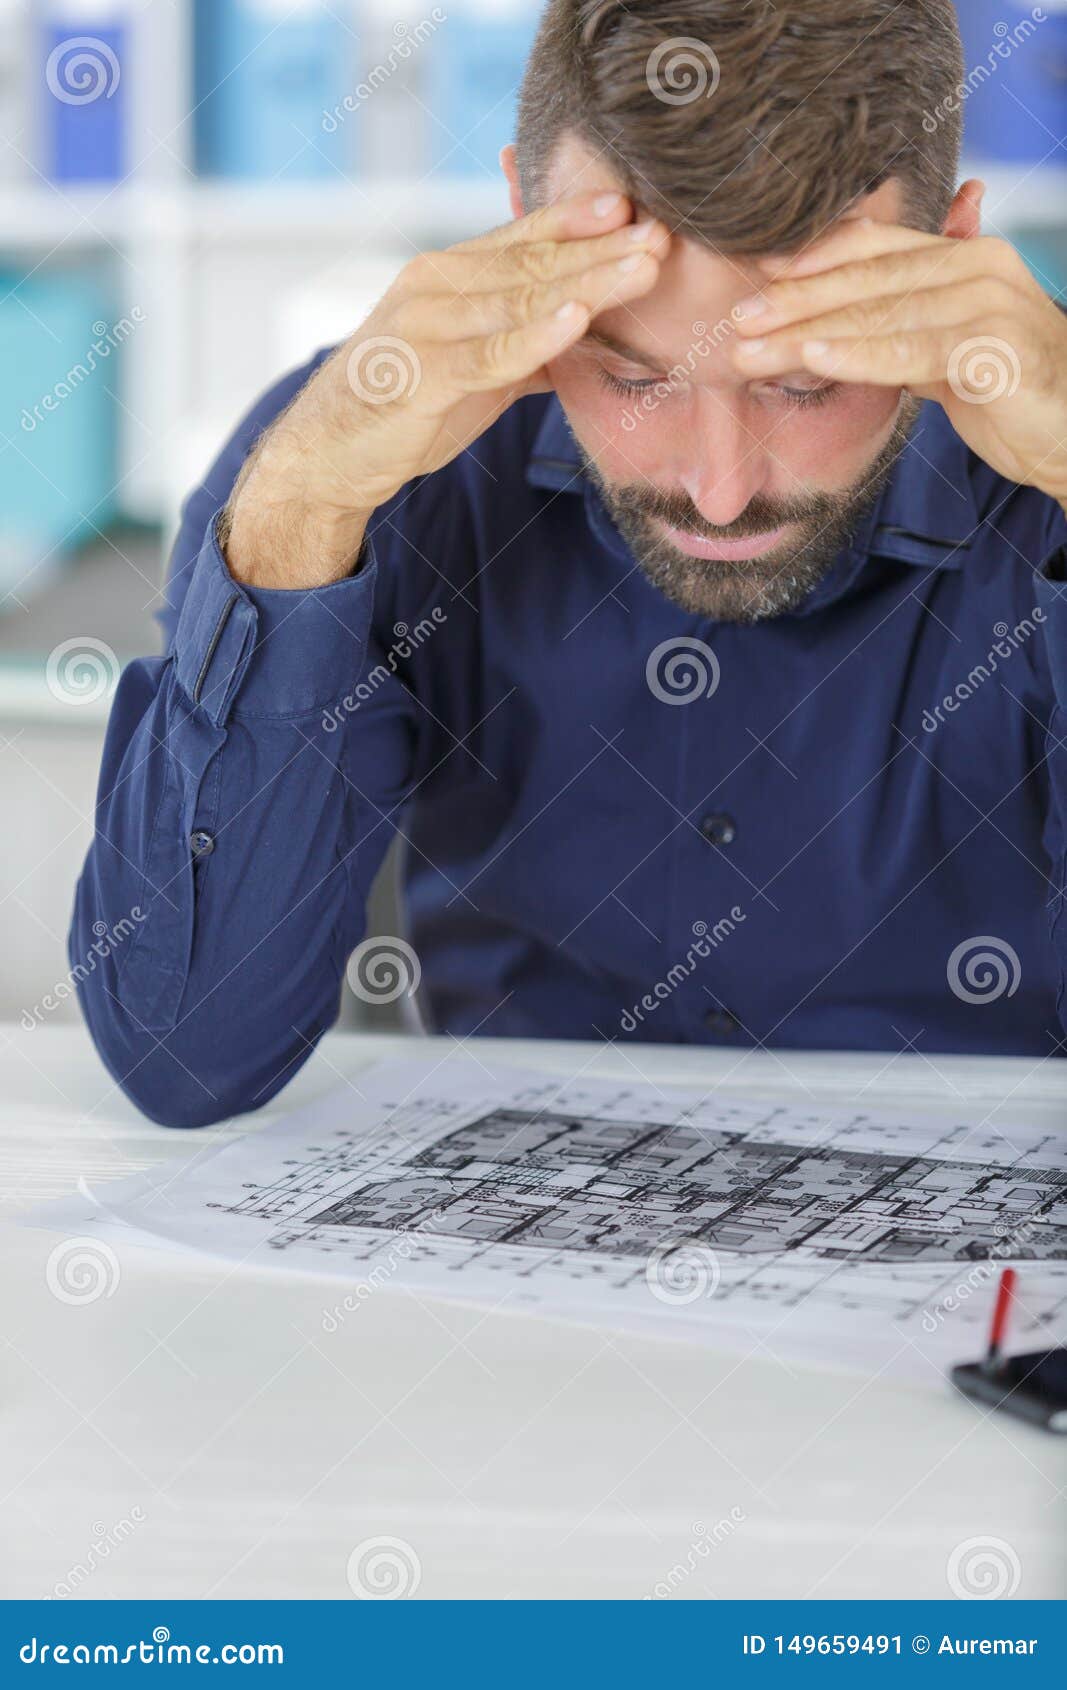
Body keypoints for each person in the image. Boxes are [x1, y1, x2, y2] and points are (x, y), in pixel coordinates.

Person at [72, 0, 1067, 1128]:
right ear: (518, 223)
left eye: (802, 385)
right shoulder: (368, 463)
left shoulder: (1044, 463)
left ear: (953, 252)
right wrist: (303, 503)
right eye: (634, 376)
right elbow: (181, 1053)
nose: (717, 487)